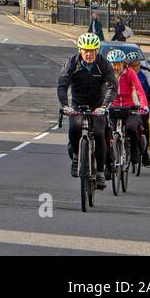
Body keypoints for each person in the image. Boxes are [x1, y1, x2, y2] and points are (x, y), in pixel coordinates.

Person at [57, 32, 118, 186]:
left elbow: (112, 86)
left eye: (92, 51)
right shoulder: (72, 63)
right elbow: (62, 85)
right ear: (80, 50)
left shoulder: (103, 64)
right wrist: (65, 105)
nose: (89, 54)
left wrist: (104, 106)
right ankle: (77, 156)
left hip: (97, 105)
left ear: (97, 51)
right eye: (86, 50)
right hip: (78, 103)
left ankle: (99, 172)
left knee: (99, 133)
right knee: (74, 128)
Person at [107, 48, 149, 169]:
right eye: (113, 64)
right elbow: (101, 91)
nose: (116, 67)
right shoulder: (107, 74)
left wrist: (144, 105)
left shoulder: (130, 73)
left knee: (131, 128)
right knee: (108, 131)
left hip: (129, 107)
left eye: (118, 63)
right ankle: (109, 162)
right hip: (113, 107)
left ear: (123, 63)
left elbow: (140, 91)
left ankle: (135, 150)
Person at [127, 51, 150, 167]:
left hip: (143, 103)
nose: (135, 68)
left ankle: (145, 154)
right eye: (132, 66)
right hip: (129, 103)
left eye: (137, 65)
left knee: (145, 127)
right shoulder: (125, 72)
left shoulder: (146, 72)